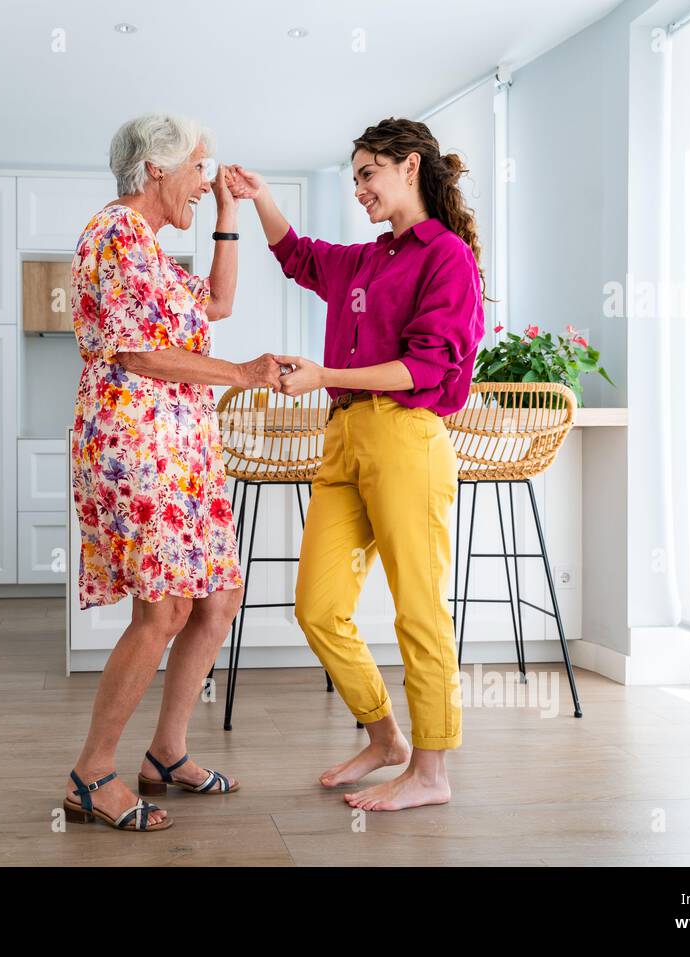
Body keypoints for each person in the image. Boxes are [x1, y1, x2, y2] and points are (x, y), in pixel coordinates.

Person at [225, 116, 486, 811]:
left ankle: (431, 772)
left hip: (406, 440)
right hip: (342, 438)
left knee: (419, 612)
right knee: (317, 607)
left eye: (368, 173)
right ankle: (385, 738)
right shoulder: (369, 260)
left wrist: (328, 372)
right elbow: (299, 256)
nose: (360, 189)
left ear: (409, 167)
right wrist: (258, 198)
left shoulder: (446, 257)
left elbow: (425, 366)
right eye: (356, 177)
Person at [63, 113, 282, 832]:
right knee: (161, 610)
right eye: (200, 168)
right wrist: (242, 372)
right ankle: (92, 775)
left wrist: (226, 211)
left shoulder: (153, 252)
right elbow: (136, 355)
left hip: (183, 449)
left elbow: (217, 303)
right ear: (156, 168)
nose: (206, 178)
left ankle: (166, 754)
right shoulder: (116, 236)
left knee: (216, 600)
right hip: (137, 443)